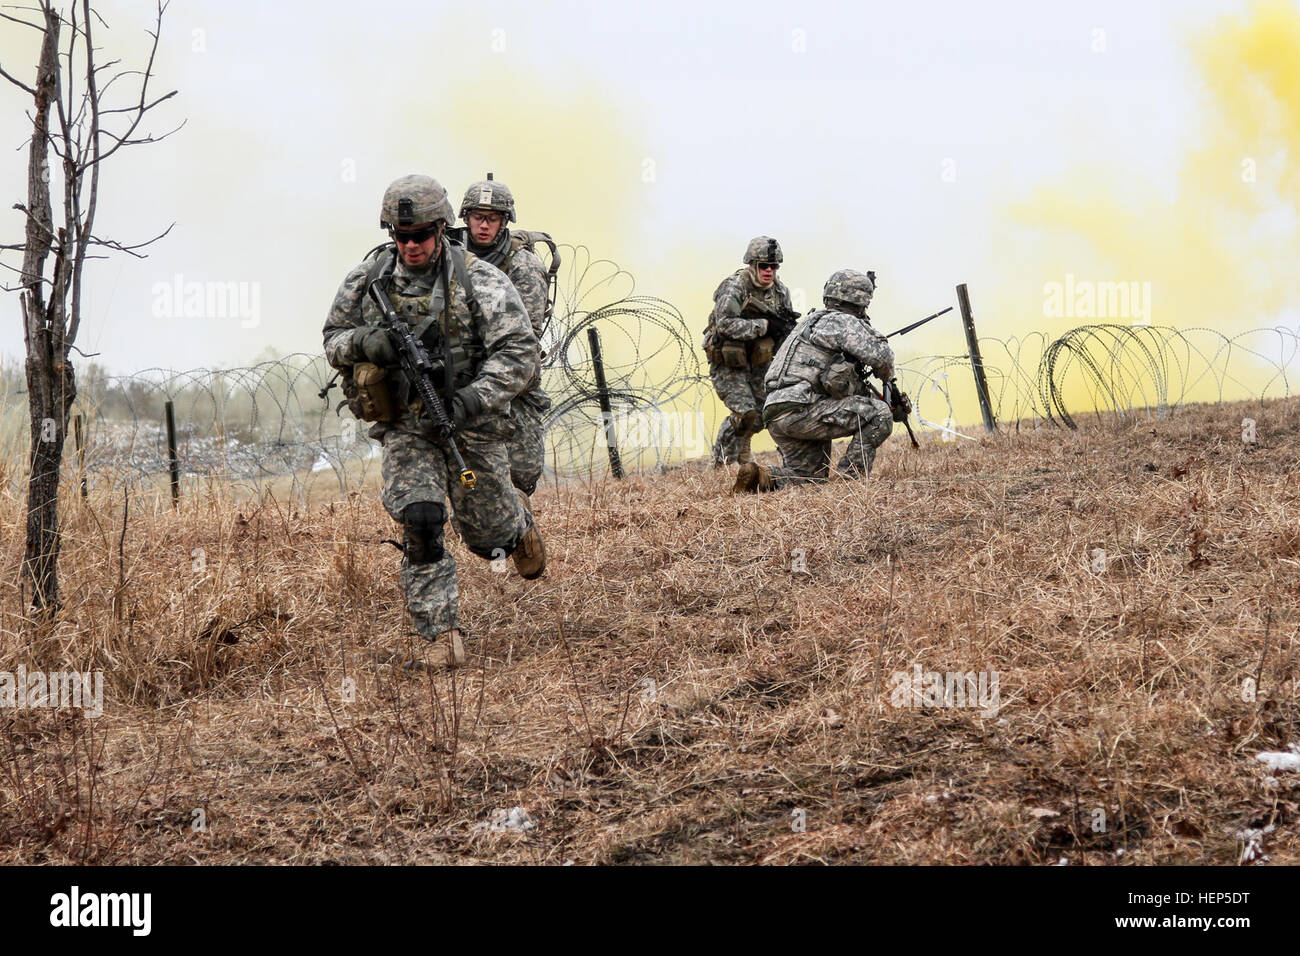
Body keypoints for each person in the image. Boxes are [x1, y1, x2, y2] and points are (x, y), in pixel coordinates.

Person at [323, 174, 546, 667]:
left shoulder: (480, 280)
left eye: (420, 235)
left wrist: (471, 399)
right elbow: (333, 335)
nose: (410, 245)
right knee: (421, 521)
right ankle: (441, 637)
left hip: (473, 420)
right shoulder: (371, 276)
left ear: (441, 228)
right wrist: (366, 343)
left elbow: (518, 352)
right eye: (400, 236)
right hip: (405, 423)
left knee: (486, 537)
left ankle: (517, 527)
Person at [735, 268, 909, 493]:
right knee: (879, 413)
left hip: (776, 412)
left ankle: (761, 476)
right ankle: (851, 482)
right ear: (861, 302)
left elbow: (837, 385)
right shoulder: (843, 322)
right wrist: (887, 387)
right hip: (803, 408)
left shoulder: (808, 323)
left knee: (809, 478)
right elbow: (882, 357)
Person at [452, 175, 553, 498]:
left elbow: (525, 338)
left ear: (504, 221)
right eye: (477, 217)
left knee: (522, 472)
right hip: (460, 375)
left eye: (492, 218)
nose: (483, 225)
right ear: (466, 218)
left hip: (513, 379)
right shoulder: (447, 257)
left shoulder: (523, 266)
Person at [704, 236, 799, 467]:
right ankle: (720, 463)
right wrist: (764, 326)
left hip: (759, 362)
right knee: (744, 414)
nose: (769, 271)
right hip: (729, 361)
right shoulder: (735, 287)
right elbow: (724, 324)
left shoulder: (780, 292)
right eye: (763, 266)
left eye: (773, 266)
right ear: (752, 264)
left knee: (764, 414)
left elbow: (785, 328)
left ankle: (740, 455)